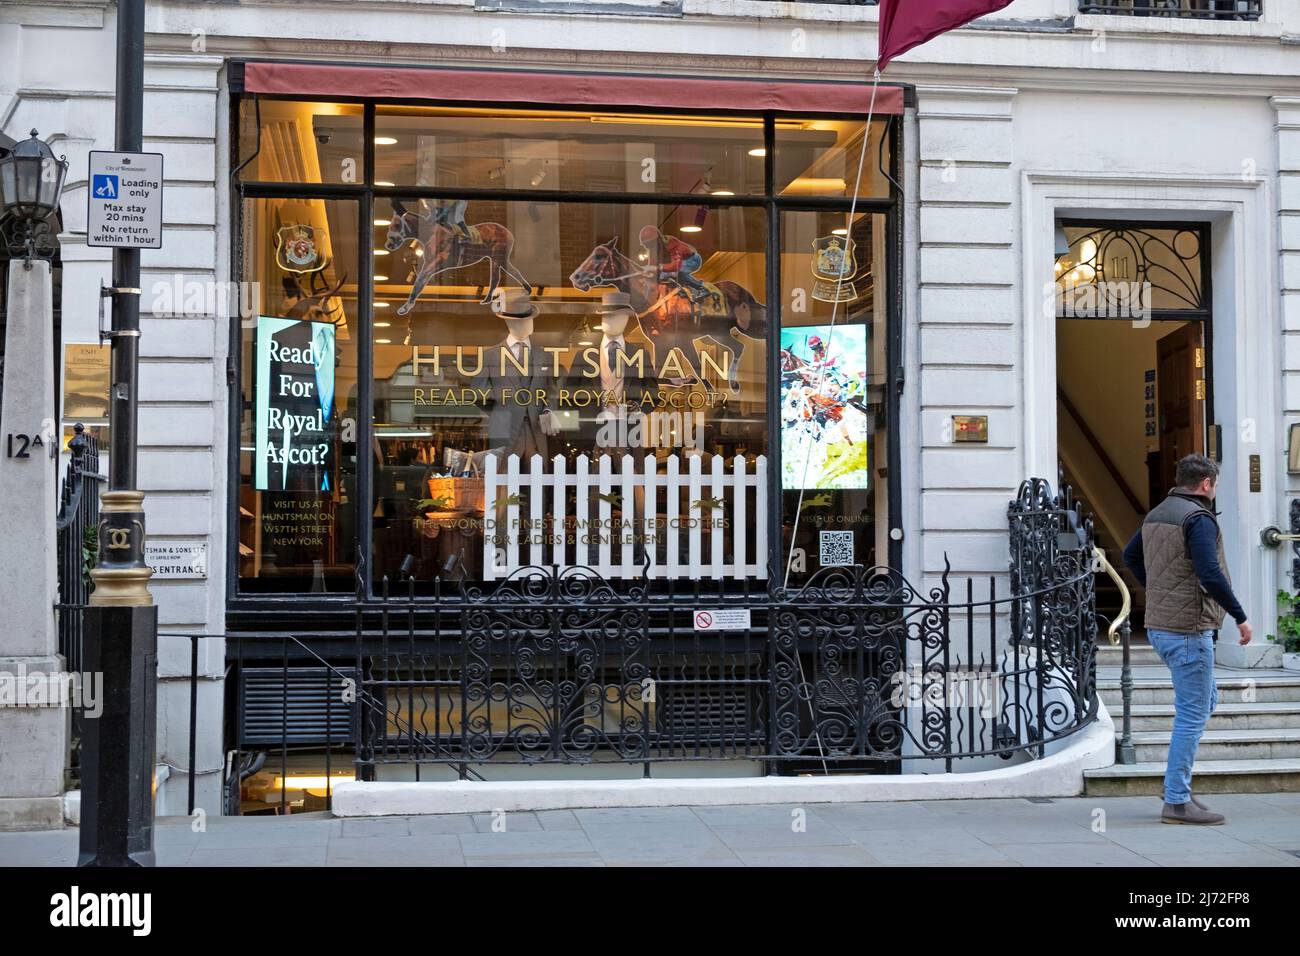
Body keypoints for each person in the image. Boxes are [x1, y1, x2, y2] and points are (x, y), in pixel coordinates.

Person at [1122, 453, 1251, 826]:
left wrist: (1157, 592)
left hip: (1162, 628)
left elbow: (1132, 556)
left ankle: (1174, 785)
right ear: (1207, 484)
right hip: (1189, 631)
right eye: (1216, 483)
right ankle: (1176, 800)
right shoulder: (1199, 519)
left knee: (1204, 700)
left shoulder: (1159, 513)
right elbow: (1210, 573)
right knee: (1193, 714)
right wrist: (1240, 617)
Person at [638, 225, 719, 308]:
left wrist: (658, 268)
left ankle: (701, 287)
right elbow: (653, 268)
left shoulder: (672, 244)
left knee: (675, 273)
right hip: (677, 263)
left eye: (648, 244)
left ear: (657, 240)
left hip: (692, 260)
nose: (646, 247)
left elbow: (676, 266)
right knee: (663, 275)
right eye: (645, 244)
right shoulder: (654, 249)